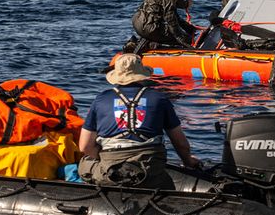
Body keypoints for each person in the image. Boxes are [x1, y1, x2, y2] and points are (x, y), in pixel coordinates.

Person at [77, 53, 200, 189]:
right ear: (142, 74)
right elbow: (180, 143)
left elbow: (85, 147)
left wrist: (103, 159)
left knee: (85, 163)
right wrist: (188, 161)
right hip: (150, 168)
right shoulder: (159, 98)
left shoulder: (101, 100)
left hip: (111, 169)